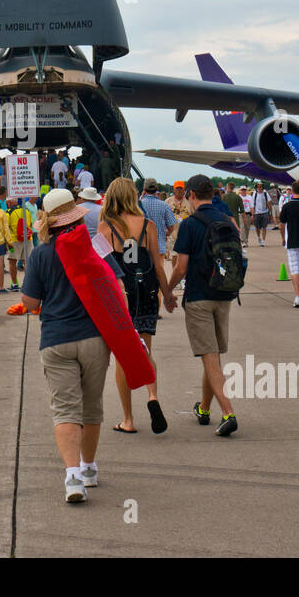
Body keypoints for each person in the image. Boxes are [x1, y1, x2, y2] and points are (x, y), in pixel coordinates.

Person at [21, 188, 125, 502]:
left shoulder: (40, 254)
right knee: (91, 407)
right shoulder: (97, 247)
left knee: (65, 410)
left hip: (56, 340)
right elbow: (118, 287)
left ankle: (72, 477)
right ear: (77, 215)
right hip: (94, 338)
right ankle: (89, 467)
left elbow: (29, 302)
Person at [99, 178, 176, 435]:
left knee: (123, 356)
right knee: (145, 348)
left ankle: (128, 419)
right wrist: (167, 295)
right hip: (146, 292)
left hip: (121, 296)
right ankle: (152, 396)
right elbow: (158, 265)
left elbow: (103, 269)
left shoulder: (105, 227)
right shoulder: (148, 225)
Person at [166, 175, 239, 436]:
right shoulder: (226, 221)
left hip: (199, 297)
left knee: (210, 357)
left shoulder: (190, 224)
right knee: (214, 357)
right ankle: (204, 409)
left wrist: (167, 291)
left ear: (192, 195)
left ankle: (228, 412)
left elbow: (181, 267)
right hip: (224, 295)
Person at [137, 179, 177, 272]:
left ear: (144, 189)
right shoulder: (164, 205)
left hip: (142, 246)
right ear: (157, 189)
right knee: (158, 274)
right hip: (159, 247)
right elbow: (171, 227)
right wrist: (166, 234)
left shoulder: (138, 205)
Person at [166, 181, 191, 259]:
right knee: (174, 257)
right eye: (177, 188)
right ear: (174, 189)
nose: (179, 190)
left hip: (185, 236)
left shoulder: (189, 203)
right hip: (172, 235)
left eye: (181, 188)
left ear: (184, 190)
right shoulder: (167, 202)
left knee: (184, 258)